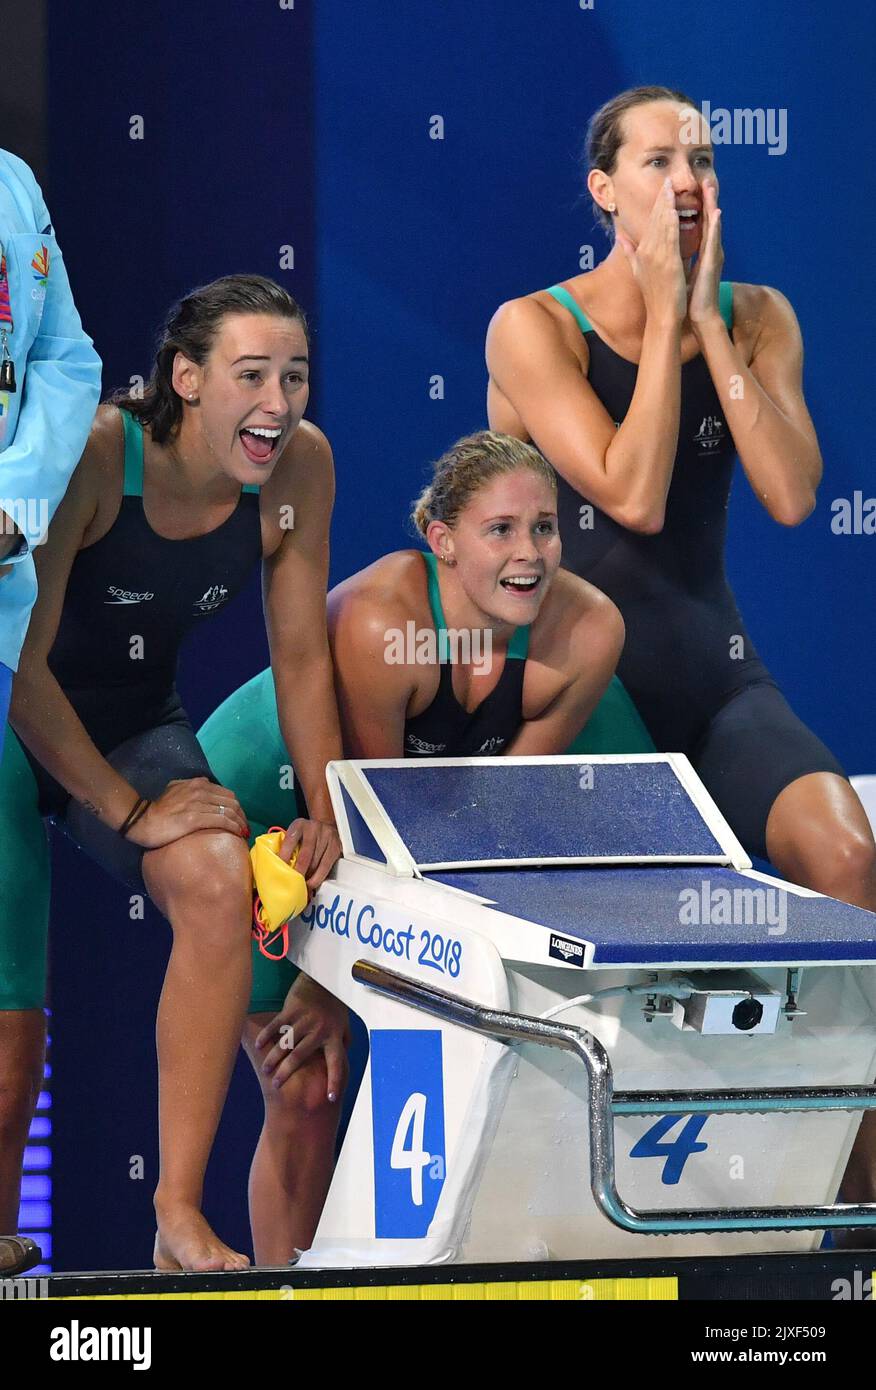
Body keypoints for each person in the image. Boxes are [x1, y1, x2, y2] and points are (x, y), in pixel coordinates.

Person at [484, 85, 876, 1232]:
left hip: (715, 675)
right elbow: (630, 492)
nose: (690, 180)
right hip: (582, 696)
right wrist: (662, 318)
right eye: (659, 161)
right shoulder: (534, 327)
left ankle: (853, 1211)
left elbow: (795, 494)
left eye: (703, 158)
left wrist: (705, 323)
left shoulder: (760, 315)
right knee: (631, 963)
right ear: (605, 191)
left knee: (847, 864)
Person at [198, 427, 654, 1262]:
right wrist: (326, 980)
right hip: (273, 803)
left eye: (546, 527)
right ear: (441, 541)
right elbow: (357, 818)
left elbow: (492, 818)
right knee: (302, 1080)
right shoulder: (381, 622)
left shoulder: (589, 631)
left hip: (400, 826)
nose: (532, 554)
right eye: (502, 530)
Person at [0, 273, 346, 1271]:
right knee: (14, 1026)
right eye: (251, 375)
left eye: (296, 375)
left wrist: (326, 811)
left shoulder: (301, 470)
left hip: (125, 722)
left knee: (213, 877)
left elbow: (304, 656)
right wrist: (128, 806)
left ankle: (178, 1216)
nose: (279, 403)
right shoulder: (100, 455)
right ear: (186, 378)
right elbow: (18, 657)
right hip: (10, 709)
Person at [0, 147, 102, 1277]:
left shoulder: (16, 185)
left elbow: (65, 360)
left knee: (3, 930)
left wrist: (14, 506)